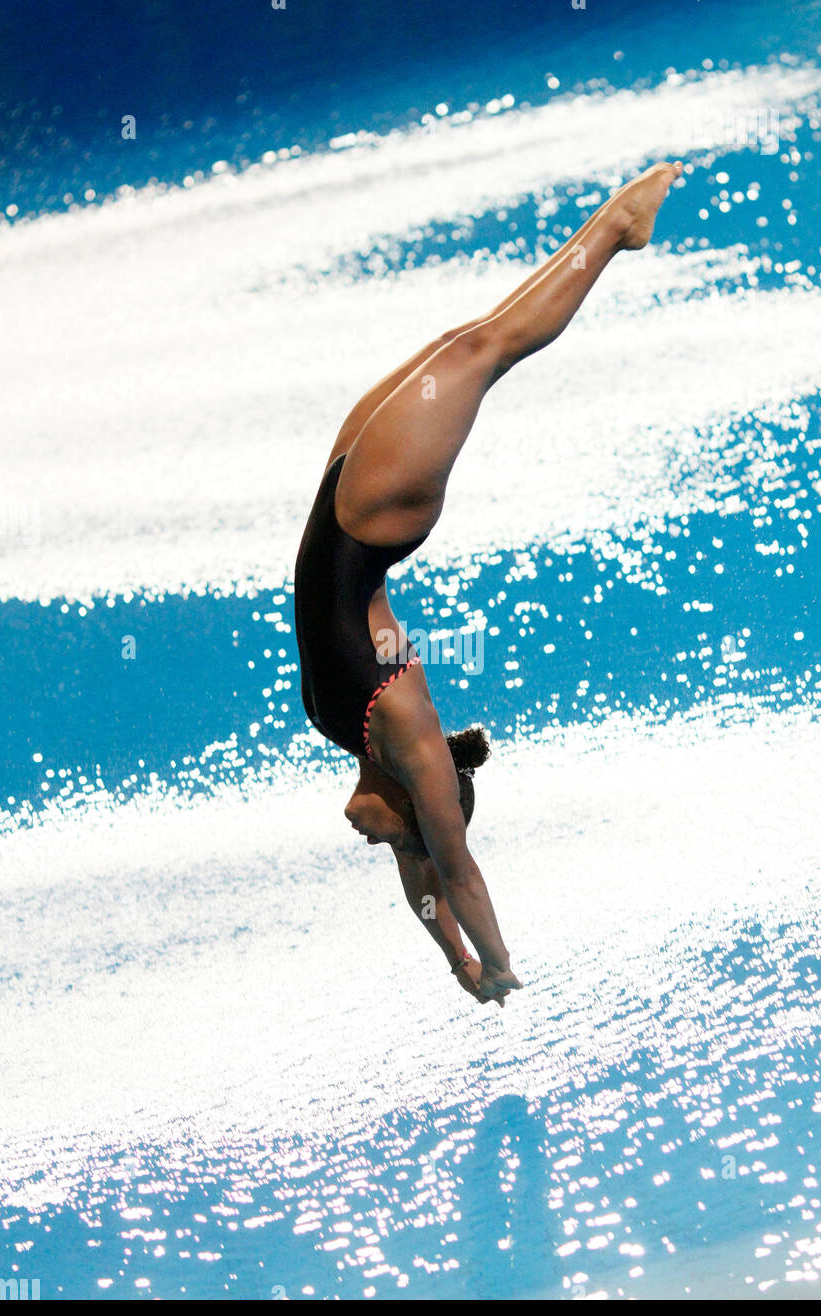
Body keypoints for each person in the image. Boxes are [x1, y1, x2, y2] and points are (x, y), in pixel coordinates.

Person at [294, 161, 683, 1006]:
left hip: (342, 498)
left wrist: (457, 967)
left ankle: (614, 224)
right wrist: (499, 961)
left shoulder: (364, 743)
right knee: (482, 348)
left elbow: (423, 881)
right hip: (375, 514)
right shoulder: (410, 741)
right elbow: (454, 871)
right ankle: (617, 227)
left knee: (459, 345)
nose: (377, 845)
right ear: (418, 806)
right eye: (404, 837)